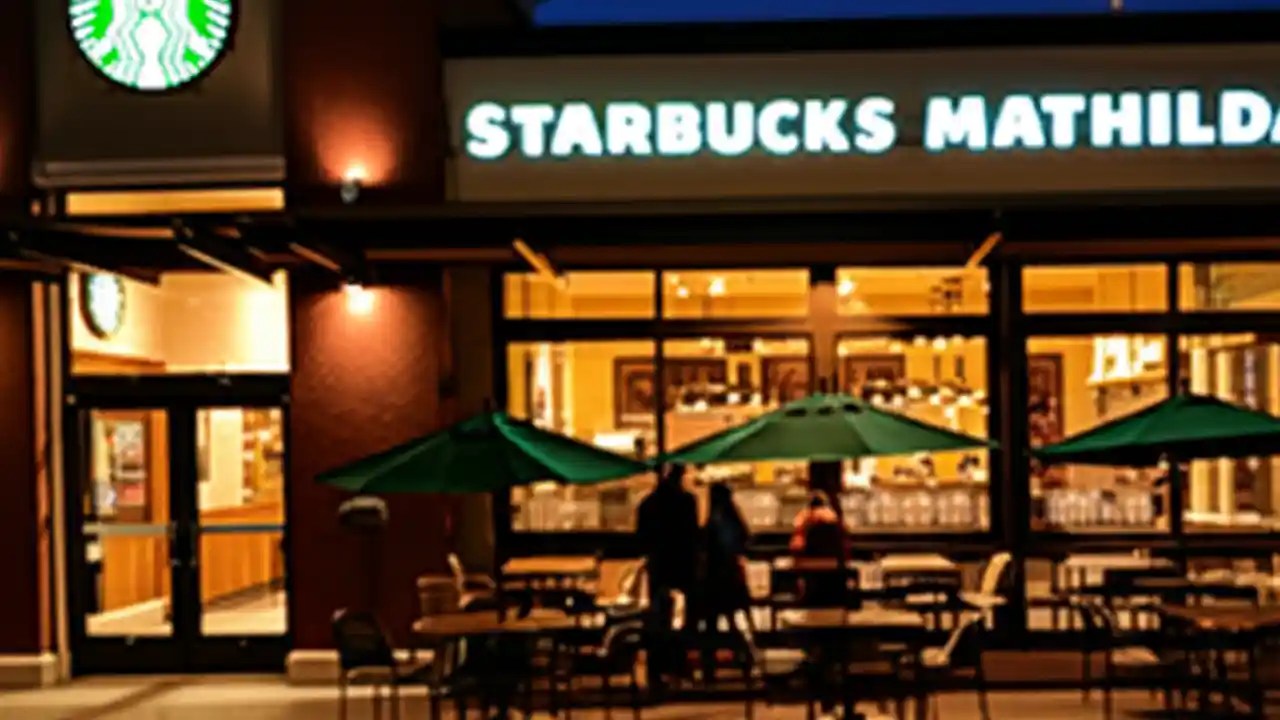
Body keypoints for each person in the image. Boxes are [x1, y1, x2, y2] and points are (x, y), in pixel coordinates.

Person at [635, 464, 699, 689]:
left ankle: (657, 668)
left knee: (657, 618)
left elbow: (641, 539)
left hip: (659, 566)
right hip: (682, 566)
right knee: (682, 619)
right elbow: (692, 536)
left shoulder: (647, 504)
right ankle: (678, 665)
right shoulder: (687, 502)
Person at [696, 482, 754, 684]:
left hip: (713, 581)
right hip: (730, 580)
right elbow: (743, 543)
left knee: (710, 626)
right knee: (731, 622)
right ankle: (744, 658)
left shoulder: (714, 521)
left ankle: (709, 667)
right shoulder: (732, 520)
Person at [789, 492, 847, 606]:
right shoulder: (834, 520)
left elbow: (796, 546)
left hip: (810, 568)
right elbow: (845, 547)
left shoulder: (804, 520)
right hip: (834, 567)